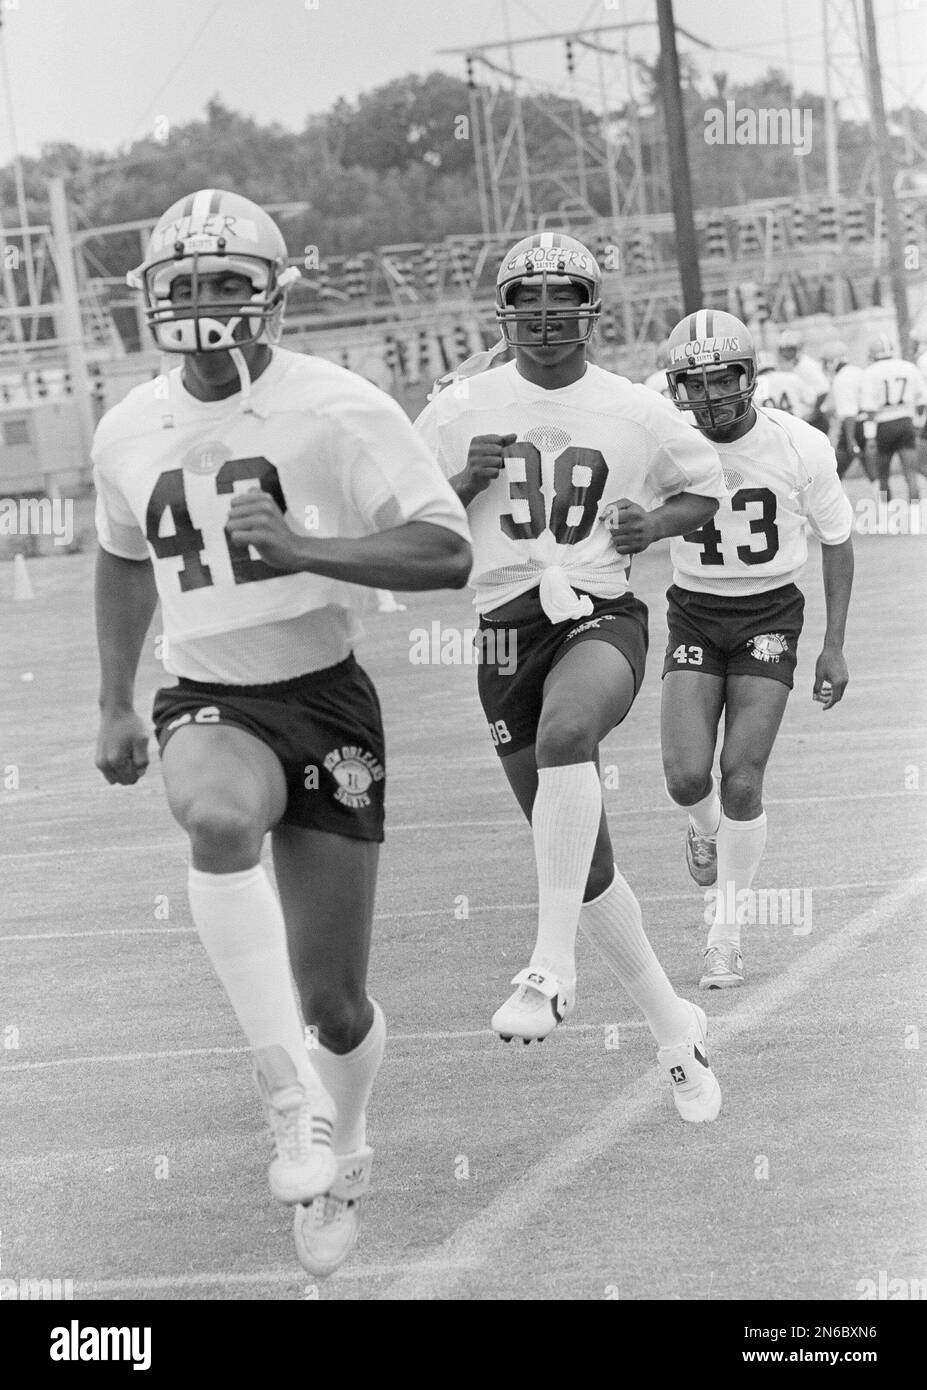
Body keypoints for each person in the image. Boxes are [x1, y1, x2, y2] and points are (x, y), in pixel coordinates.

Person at [93, 188, 472, 1277]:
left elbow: (444, 550)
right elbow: (124, 554)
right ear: (153, 299)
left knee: (337, 1003)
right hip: (210, 696)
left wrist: (309, 550)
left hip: (325, 696)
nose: (204, 304)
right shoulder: (129, 426)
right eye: (184, 284)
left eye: (226, 283)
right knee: (216, 816)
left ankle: (343, 1144)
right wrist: (115, 695)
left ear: (271, 297)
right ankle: (285, 1097)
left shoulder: (339, 406)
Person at [414, 232, 728, 1123]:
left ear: (591, 309)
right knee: (583, 864)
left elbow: (701, 485)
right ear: (504, 311)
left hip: (599, 611)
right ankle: (676, 1028)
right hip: (504, 629)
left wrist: (652, 522)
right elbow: (404, 515)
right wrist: (456, 482)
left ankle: (550, 964)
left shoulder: (632, 407)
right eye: (528, 300)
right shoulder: (457, 406)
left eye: (564, 298)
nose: (546, 315)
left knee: (566, 735)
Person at [661, 309, 854, 989]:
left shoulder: (797, 445)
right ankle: (703, 828)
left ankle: (726, 931)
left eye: (722, 379)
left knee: (741, 775)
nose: (708, 395)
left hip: (769, 611)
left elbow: (836, 538)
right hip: (693, 613)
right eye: (693, 382)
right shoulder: (666, 445)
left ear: (748, 376)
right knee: (687, 778)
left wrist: (832, 645)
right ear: (675, 388)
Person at [858, 334, 926, 504]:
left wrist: (870, 436)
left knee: (882, 476)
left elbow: (869, 409)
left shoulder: (871, 372)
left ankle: (887, 513)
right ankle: (916, 515)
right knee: (911, 474)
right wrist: (917, 424)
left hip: (883, 425)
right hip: (905, 422)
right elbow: (921, 401)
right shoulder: (908, 367)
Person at [777, 329, 830, 433]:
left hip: (814, 419)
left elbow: (823, 389)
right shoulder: (793, 365)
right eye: (783, 349)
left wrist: (814, 412)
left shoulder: (806, 365)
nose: (786, 353)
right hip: (803, 418)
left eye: (790, 349)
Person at [753, 349, 807, 416]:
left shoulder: (755, 385)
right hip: (795, 423)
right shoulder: (791, 377)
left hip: (771, 424)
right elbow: (811, 400)